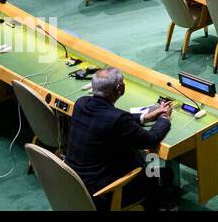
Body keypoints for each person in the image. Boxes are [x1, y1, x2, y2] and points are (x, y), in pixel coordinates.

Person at [64, 67, 174, 209]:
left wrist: (145, 117)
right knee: (162, 174)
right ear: (119, 88)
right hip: (105, 193)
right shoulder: (118, 119)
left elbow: (112, 117)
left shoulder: (81, 103)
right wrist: (164, 117)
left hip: (75, 183)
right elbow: (151, 139)